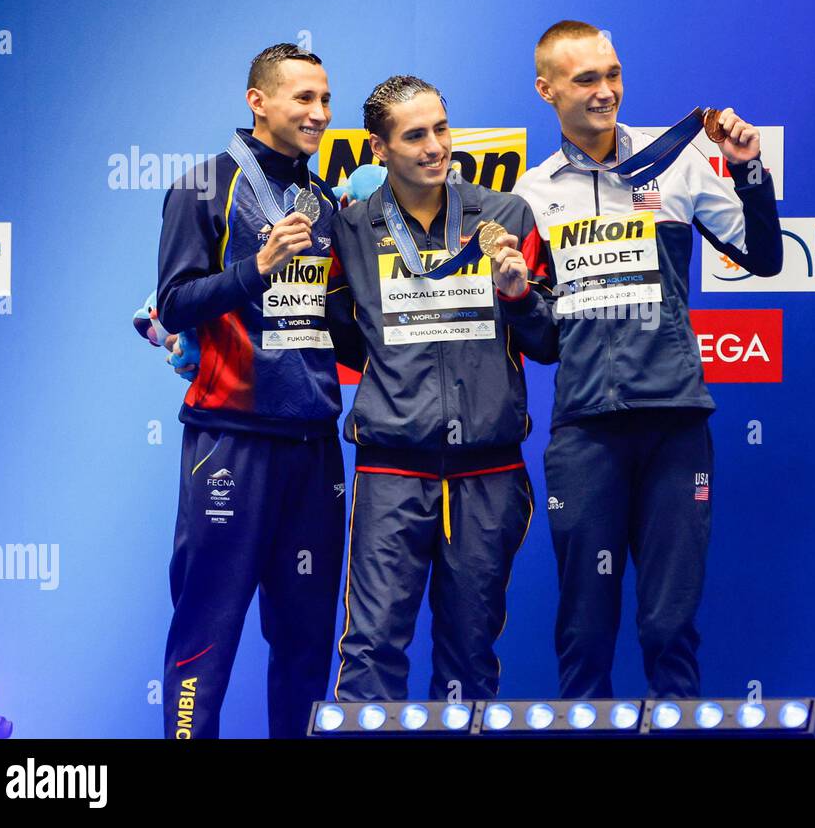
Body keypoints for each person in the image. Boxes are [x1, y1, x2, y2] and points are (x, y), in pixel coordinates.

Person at [513, 20, 783, 699]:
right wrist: (517, 297)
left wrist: (748, 169)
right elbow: (542, 339)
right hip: (586, 431)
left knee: (668, 627)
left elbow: (764, 256)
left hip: (675, 424)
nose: (606, 93)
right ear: (547, 91)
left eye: (614, 75)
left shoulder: (679, 160)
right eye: (586, 80)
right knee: (584, 632)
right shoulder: (531, 193)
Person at [330, 76, 557, 702]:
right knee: (371, 651)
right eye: (414, 135)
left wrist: (519, 297)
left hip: (488, 471)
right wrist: (397, 388)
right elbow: (340, 335)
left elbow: (549, 340)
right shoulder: (349, 231)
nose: (436, 147)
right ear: (378, 148)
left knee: (469, 655)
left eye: (441, 129)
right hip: (392, 471)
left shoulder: (506, 216)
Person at [156, 43, 358, 738]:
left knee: (305, 644)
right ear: (258, 100)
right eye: (303, 98)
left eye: (326, 99)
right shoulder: (203, 188)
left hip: (313, 449)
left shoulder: (322, 200)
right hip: (230, 441)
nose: (319, 113)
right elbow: (176, 304)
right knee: (205, 637)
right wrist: (259, 266)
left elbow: (333, 323)